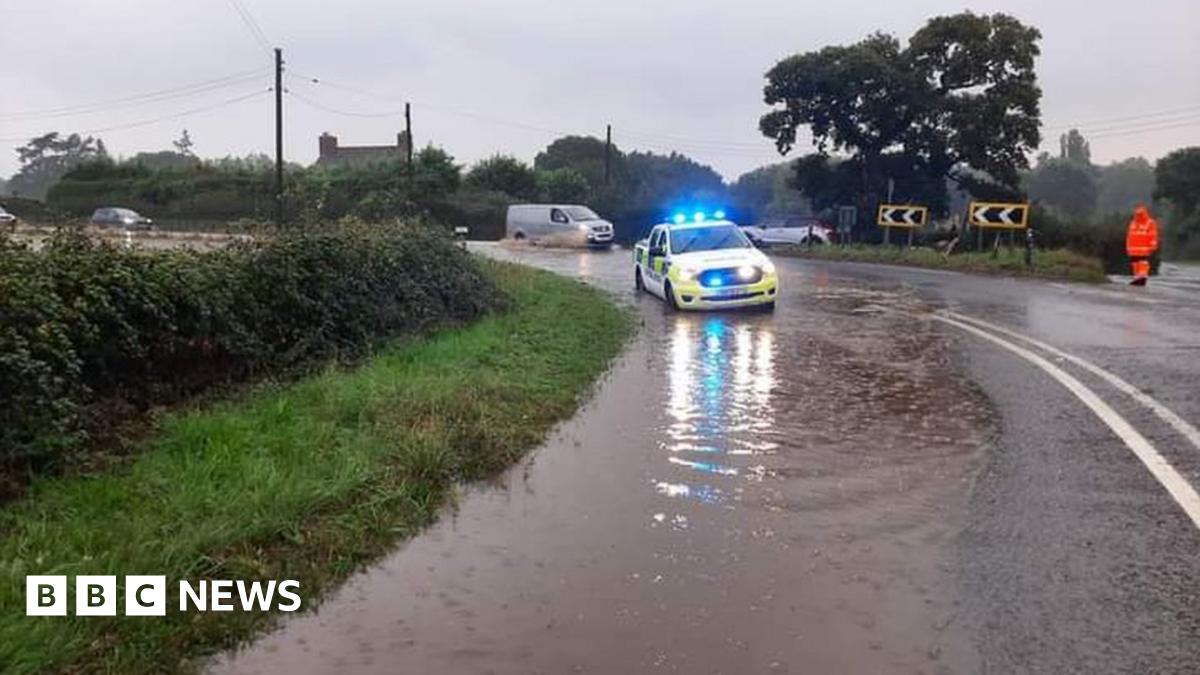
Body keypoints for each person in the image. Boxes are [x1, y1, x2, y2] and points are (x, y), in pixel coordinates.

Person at [1125, 204, 1159, 286]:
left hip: (1143, 248)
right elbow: (1129, 235)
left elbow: (1153, 235)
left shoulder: (1150, 222)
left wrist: (1153, 245)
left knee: (1142, 262)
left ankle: (1142, 278)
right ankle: (1137, 278)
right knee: (1135, 263)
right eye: (1137, 214)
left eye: (1140, 214)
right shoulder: (1133, 222)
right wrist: (1128, 246)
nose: (1138, 216)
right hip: (1133, 249)